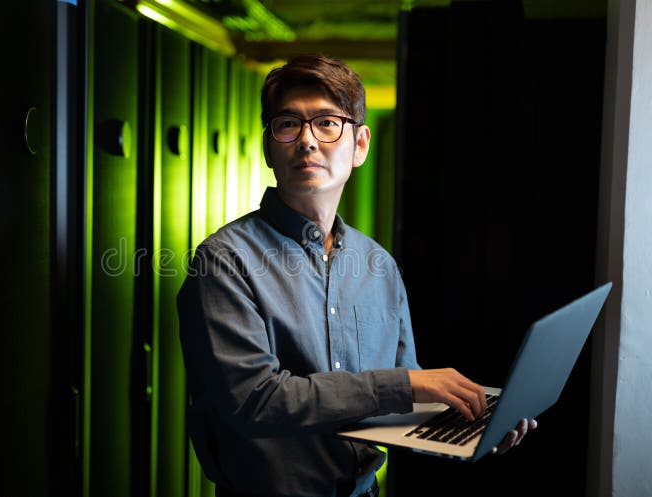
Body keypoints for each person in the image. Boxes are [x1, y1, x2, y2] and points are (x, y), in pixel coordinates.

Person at [177, 53, 535, 497]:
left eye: (327, 123)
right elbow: (255, 400)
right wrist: (404, 384)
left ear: (360, 144)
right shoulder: (223, 261)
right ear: (270, 146)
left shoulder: (378, 265)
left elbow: (401, 396)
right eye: (289, 124)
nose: (307, 140)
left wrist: (472, 426)